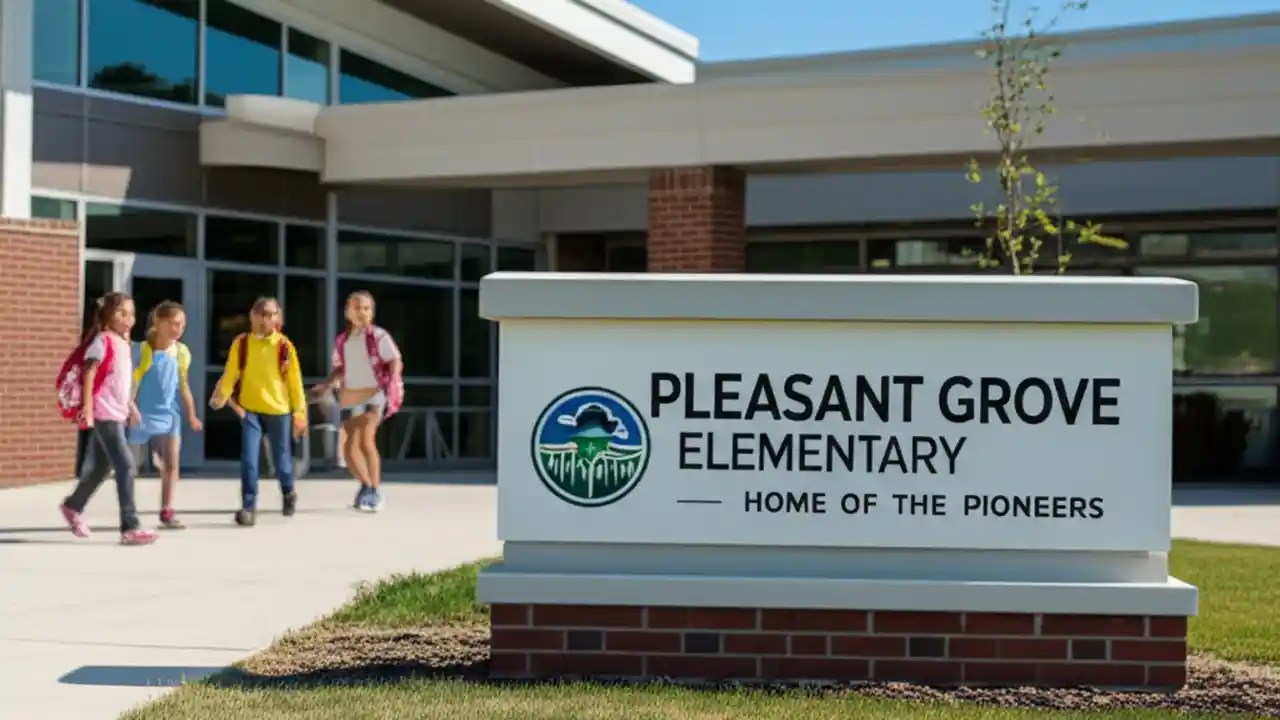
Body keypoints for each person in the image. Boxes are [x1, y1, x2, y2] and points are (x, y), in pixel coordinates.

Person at [59, 292, 158, 546]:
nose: (128, 318)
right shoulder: (102, 340)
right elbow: (89, 372)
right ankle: (130, 526)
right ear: (107, 315)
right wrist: (89, 409)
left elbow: (118, 383)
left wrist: (130, 406)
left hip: (116, 413)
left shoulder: (124, 344)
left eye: (132, 313)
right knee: (126, 465)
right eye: (121, 312)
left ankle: (73, 506)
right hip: (104, 415)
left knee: (102, 467)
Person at [210, 297, 307, 527]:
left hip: (279, 410)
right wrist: (221, 396)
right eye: (261, 314)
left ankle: (288, 492)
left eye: (271, 314)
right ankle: (248, 507)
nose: (266, 319)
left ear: (278, 318)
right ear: (252, 316)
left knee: (282, 460)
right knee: (249, 460)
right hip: (250, 409)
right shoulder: (241, 344)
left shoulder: (284, 346)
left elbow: (295, 383)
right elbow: (231, 373)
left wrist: (299, 413)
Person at [314, 291, 403, 512]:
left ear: (371, 312)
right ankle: (365, 485)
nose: (361, 312)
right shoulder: (343, 341)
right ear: (348, 312)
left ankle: (375, 491)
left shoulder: (379, 337)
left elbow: (394, 360)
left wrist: (393, 380)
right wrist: (327, 384)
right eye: (356, 307)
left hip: (374, 394)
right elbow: (340, 367)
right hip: (351, 395)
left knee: (366, 440)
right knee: (348, 448)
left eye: (365, 308)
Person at [130, 301, 203, 529]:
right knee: (130, 466)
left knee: (172, 463)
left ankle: (167, 510)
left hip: (170, 415)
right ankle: (128, 511)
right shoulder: (143, 350)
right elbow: (132, 382)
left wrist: (191, 414)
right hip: (141, 414)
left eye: (181, 324)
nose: (178, 328)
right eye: (173, 323)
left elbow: (183, 386)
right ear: (158, 323)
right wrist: (128, 407)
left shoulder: (181, 353)